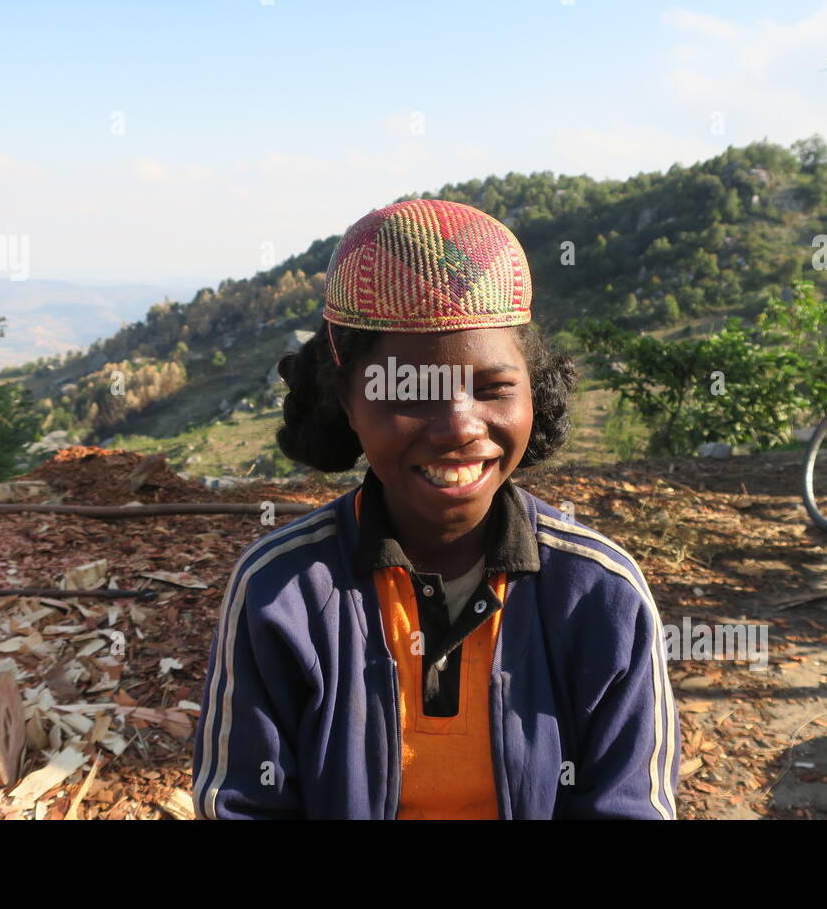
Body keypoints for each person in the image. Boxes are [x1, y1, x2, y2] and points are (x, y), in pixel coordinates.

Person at [192, 198, 678, 819]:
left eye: (493, 388)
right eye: (408, 389)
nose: (458, 427)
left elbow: (627, 806)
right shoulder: (280, 593)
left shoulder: (600, 595)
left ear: (535, 390)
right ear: (346, 398)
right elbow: (245, 807)